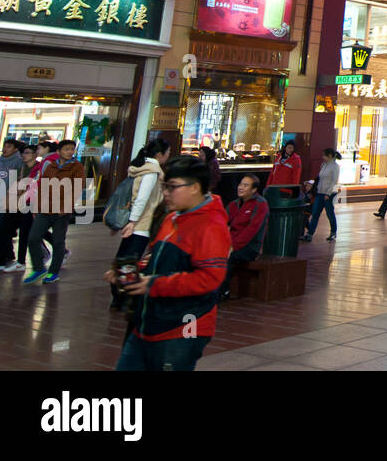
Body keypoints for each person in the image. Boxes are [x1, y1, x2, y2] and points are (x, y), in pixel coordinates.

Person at [108, 156, 230, 371]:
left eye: (172, 187)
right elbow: (156, 259)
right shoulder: (171, 218)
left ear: (194, 187)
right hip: (148, 322)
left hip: (185, 326)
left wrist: (153, 284)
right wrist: (131, 273)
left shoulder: (211, 226)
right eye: (164, 186)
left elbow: (209, 279)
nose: (165, 193)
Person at [110, 139, 171, 310]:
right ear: (159, 155)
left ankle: (119, 297)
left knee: (124, 260)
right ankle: (123, 298)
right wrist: (133, 222)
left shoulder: (139, 168)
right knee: (129, 262)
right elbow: (142, 198)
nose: (168, 156)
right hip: (140, 224)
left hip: (134, 221)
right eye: (167, 152)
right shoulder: (152, 172)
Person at [24, 140, 84, 284]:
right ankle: (39, 268)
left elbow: (77, 188)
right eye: (66, 149)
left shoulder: (76, 167)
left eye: (72, 149)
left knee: (58, 241)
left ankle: (53, 272)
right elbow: (42, 186)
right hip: (44, 208)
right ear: (58, 152)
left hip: (62, 212)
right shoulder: (50, 165)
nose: (70, 152)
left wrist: (67, 206)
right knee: (33, 238)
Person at [223, 174, 270, 299]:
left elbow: (251, 230)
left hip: (250, 246)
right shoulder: (233, 204)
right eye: (240, 184)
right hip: (230, 243)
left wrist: (232, 246)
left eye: (245, 185)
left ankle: (223, 291)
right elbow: (222, 223)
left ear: (254, 190)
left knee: (228, 257)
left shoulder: (260, 204)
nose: (241, 188)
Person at [0, 139, 23, 270]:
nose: (5, 149)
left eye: (9, 146)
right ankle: (7, 255)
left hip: (12, 202)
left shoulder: (19, 161)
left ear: (15, 149)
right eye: (4, 146)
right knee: (5, 230)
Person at [300, 149, 341, 242]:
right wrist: (311, 183)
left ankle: (333, 232)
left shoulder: (335, 167)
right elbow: (319, 178)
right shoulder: (323, 165)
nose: (323, 157)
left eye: (324, 156)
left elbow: (334, 181)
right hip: (320, 192)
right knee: (315, 213)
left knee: (330, 213)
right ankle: (309, 234)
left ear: (330, 156)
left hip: (329, 194)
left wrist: (328, 193)